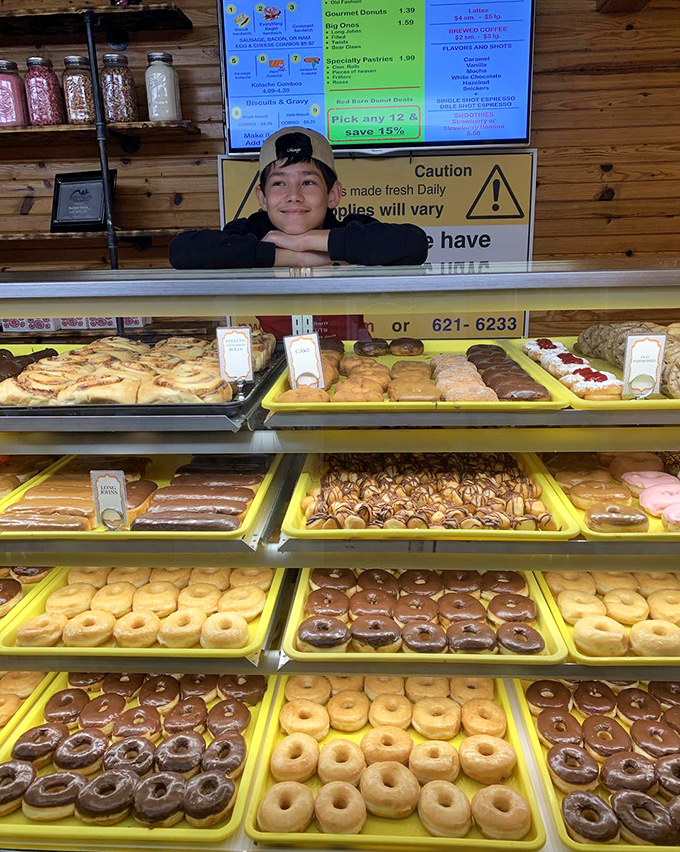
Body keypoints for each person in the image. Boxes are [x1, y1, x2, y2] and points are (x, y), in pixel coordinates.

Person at [169, 126, 429, 270]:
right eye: (280, 183)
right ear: (262, 198)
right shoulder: (252, 230)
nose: (294, 196)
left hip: (347, 350)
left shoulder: (349, 228)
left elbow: (414, 244)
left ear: (333, 194)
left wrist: (304, 241)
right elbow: (182, 250)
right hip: (270, 352)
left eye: (308, 182)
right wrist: (296, 258)